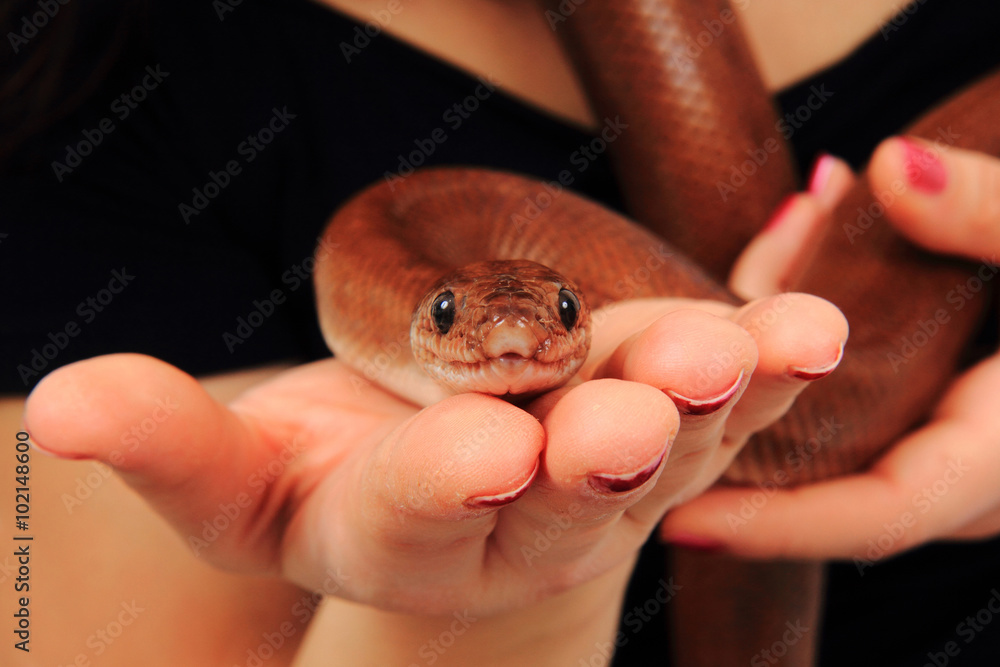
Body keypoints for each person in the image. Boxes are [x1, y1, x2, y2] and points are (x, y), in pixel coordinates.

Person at [2, 1, 999, 666]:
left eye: (554, 318)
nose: (513, 341)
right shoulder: (96, 71)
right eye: (451, 320)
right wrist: (480, 595)